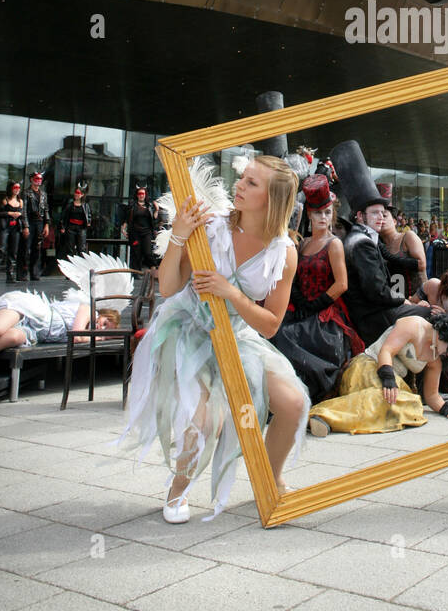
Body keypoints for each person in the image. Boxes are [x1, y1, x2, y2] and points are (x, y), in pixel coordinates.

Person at [120, 156, 308, 521]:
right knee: (207, 420)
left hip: (237, 333)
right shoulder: (212, 228)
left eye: (252, 183)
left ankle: (269, 479)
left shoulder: (284, 252)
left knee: (294, 402)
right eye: (243, 178)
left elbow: (270, 325)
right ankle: (177, 491)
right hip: (190, 328)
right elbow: (171, 286)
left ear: (272, 199)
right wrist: (179, 233)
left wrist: (232, 294)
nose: (238, 184)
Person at [272, 174, 364, 403]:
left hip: (326, 316)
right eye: (317, 213)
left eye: (327, 212)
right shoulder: (301, 243)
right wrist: (300, 301)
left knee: (287, 337)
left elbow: (341, 284)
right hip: (301, 311)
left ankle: (311, 395)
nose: (323, 217)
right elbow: (291, 275)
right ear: (309, 215)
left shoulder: (334, 244)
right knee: (275, 335)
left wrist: (315, 304)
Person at [308, 311, 448, 435]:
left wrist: (445, 408)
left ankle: (325, 420)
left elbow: (431, 396)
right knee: (391, 400)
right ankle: (321, 414)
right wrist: (388, 378)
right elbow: (386, 351)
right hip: (367, 368)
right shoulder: (415, 325)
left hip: (390, 382)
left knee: (411, 405)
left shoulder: (435, 358)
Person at [329, 141, 416, 347]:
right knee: (432, 316)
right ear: (360, 216)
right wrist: (404, 300)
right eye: (375, 213)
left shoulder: (364, 238)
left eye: (383, 213)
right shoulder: (361, 243)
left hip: (376, 311)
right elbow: (376, 291)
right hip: (375, 318)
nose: (381, 217)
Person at [0, 254, 123, 360]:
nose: (101, 328)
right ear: (102, 314)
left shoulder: (90, 331)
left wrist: (108, 335)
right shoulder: (88, 310)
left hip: (34, 331)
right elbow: (77, 337)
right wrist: (99, 336)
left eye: (105, 330)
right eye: (104, 323)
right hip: (31, 311)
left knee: (13, 337)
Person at [379, 206, 426, 297]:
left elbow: (421, 264)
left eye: (384, 216)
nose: (380, 218)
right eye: (377, 216)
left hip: (418, 299)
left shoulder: (408, 236)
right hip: (397, 301)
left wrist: (389, 257)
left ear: (394, 221)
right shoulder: (378, 245)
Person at [0, 182, 27, 284]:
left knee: (13, 252)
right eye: (15, 187)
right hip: (4, 227)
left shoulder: (20, 201)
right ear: (10, 188)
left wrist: (26, 226)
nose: (17, 189)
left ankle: (10, 275)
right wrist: (9, 213)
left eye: (19, 187)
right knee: (0, 250)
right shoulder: (4, 200)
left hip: (16, 227)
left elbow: (23, 215)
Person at [23, 171, 50, 281]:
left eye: (40, 179)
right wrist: (25, 225)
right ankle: (23, 273)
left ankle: (34, 273)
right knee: (25, 248)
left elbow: (46, 209)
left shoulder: (43, 194)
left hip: (39, 222)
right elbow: (24, 210)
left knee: (37, 248)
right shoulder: (26, 193)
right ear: (31, 179)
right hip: (29, 221)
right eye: (36, 178)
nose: (38, 181)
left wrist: (47, 224)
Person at [126, 184, 157, 270]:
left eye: (143, 194)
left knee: (148, 252)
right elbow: (127, 219)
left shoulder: (149, 206)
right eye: (139, 193)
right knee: (136, 252)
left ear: (145, 195)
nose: (141, 195)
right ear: (137, 195)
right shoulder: (132, 206)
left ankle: (153, 270)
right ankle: (136, 272)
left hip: (146, 233)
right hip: (135, 233)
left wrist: (157, 210)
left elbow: (154, 219)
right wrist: (124, 229)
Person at [59, 182, 91, 259]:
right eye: (75, 193)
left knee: (81, 249)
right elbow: (64, 216)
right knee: (70, 247)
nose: (76, 194)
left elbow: (89, 215)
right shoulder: (70, 205)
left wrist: (88, 222)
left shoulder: (85, 205)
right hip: (71, 227)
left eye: (78, 193)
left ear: (82, 195)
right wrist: (63, 227)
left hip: (81, 228)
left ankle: (80, 264)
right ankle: (70, 263)